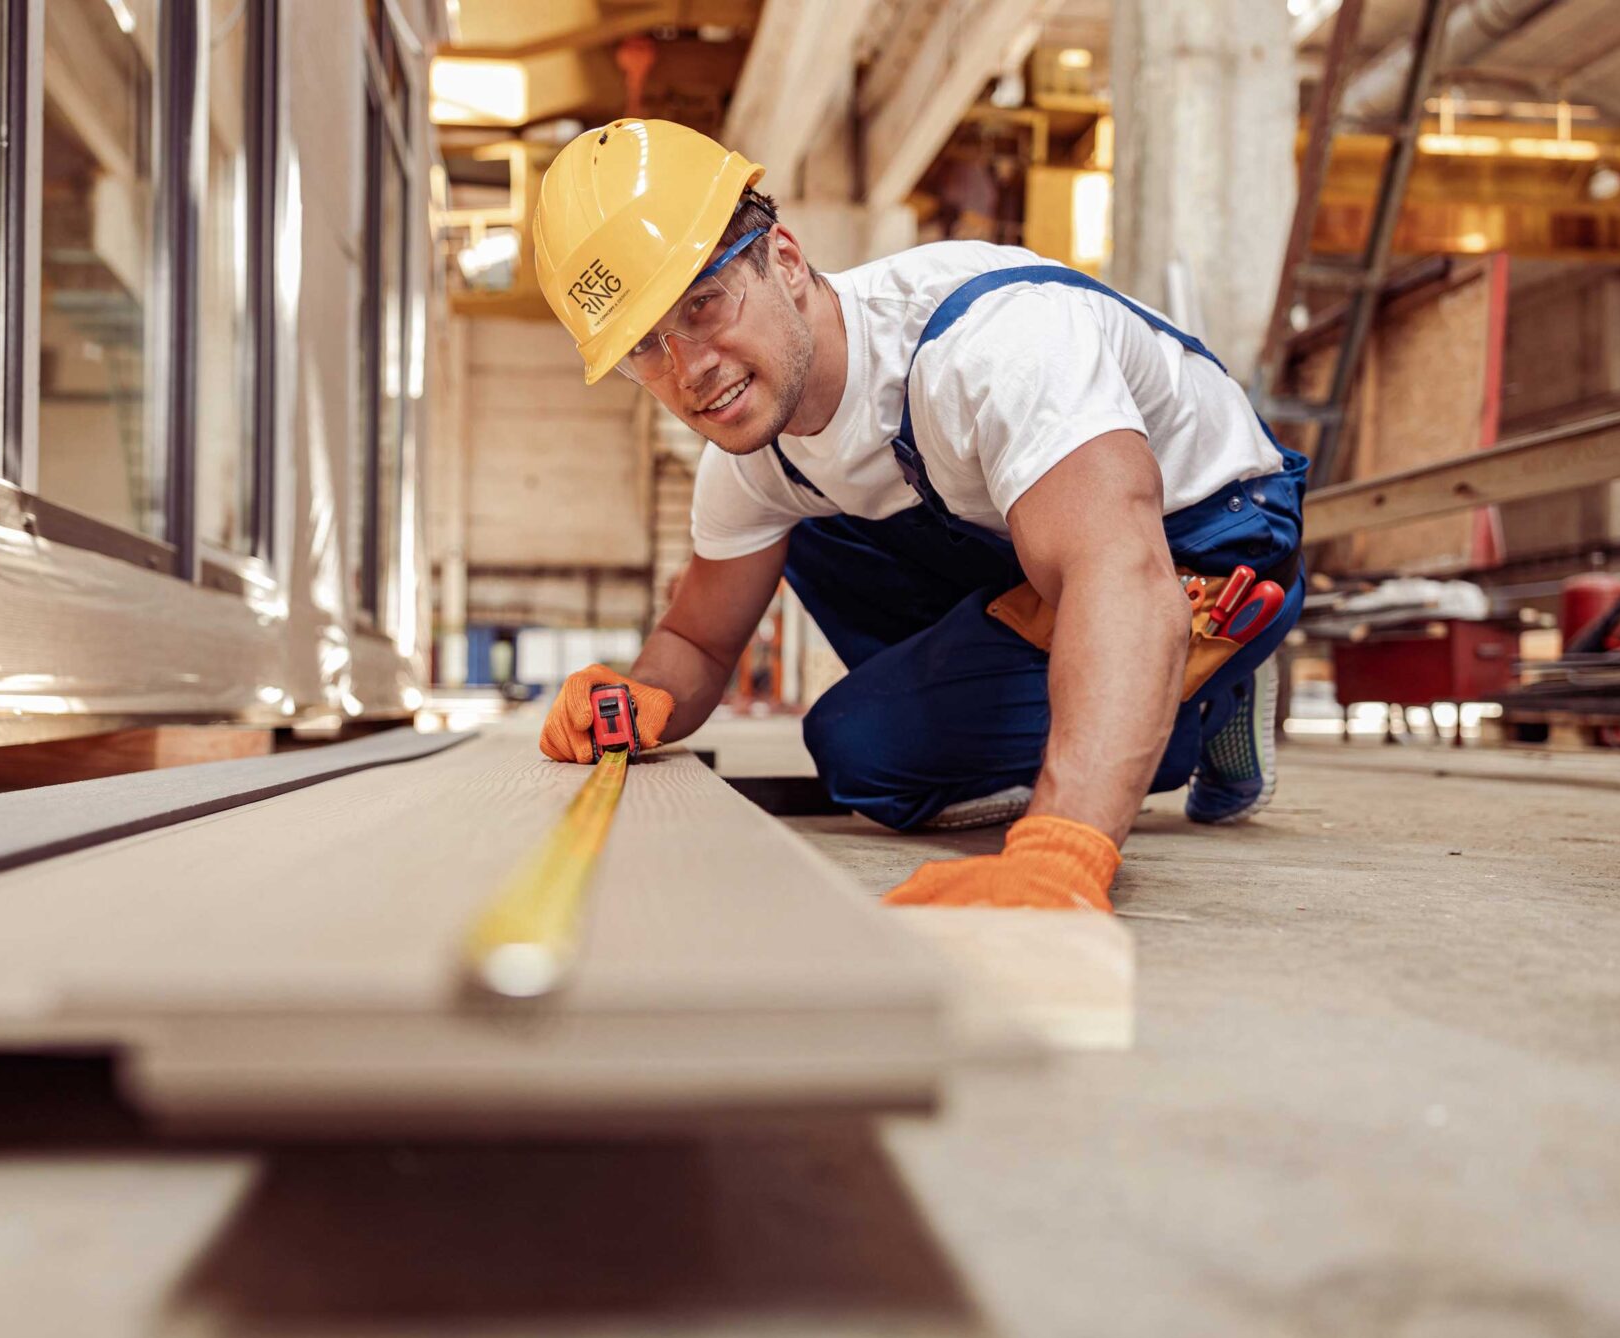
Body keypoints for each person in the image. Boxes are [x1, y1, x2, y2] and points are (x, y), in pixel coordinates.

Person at [531, 119, 1305, 912]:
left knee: (869, 745)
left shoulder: (990, 343)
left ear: (786, 262)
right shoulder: (755, 448)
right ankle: (1125, 684)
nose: (688, 367)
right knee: (859, 747)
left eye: (703, 303)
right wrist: (636, 699)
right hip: (1039, 547)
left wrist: (1062, 847)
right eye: (645, 349)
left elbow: (1121, 573)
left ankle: (1206, 691)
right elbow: (697, 638)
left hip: (1205, 537)